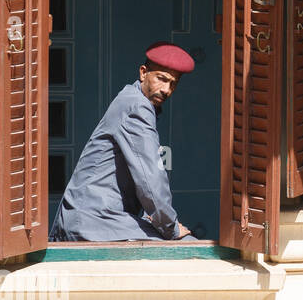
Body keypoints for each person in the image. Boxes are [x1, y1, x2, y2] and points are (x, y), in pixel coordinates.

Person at [49, 42, 196, 242]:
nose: (166, 90)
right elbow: (151, 177)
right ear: (143, 73)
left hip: (94, 217)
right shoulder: (137, 107)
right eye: (161, 79)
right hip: (94, 219)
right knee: (187, 247)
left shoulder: (134, 101)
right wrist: (170, 227)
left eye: (173, 83)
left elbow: (152, 169)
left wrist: (154, 218)